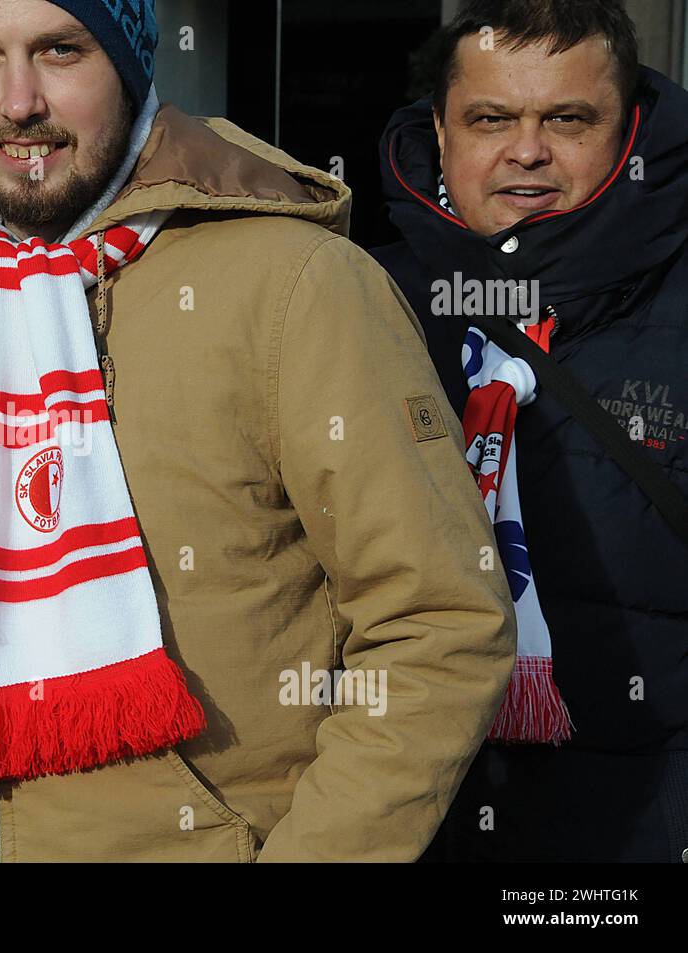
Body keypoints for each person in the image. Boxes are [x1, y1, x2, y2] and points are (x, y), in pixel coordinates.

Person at [0, 0, 517, 862]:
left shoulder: (300, 289)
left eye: (60, 51)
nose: (18, 100)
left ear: (133, 66)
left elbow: (436, 623)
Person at [373, 0, 688, 862]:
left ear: (627, 132)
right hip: (405, 818)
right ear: (439, 133)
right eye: (490, 118)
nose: (526, 151)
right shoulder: (354, 300)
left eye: (567, 119)